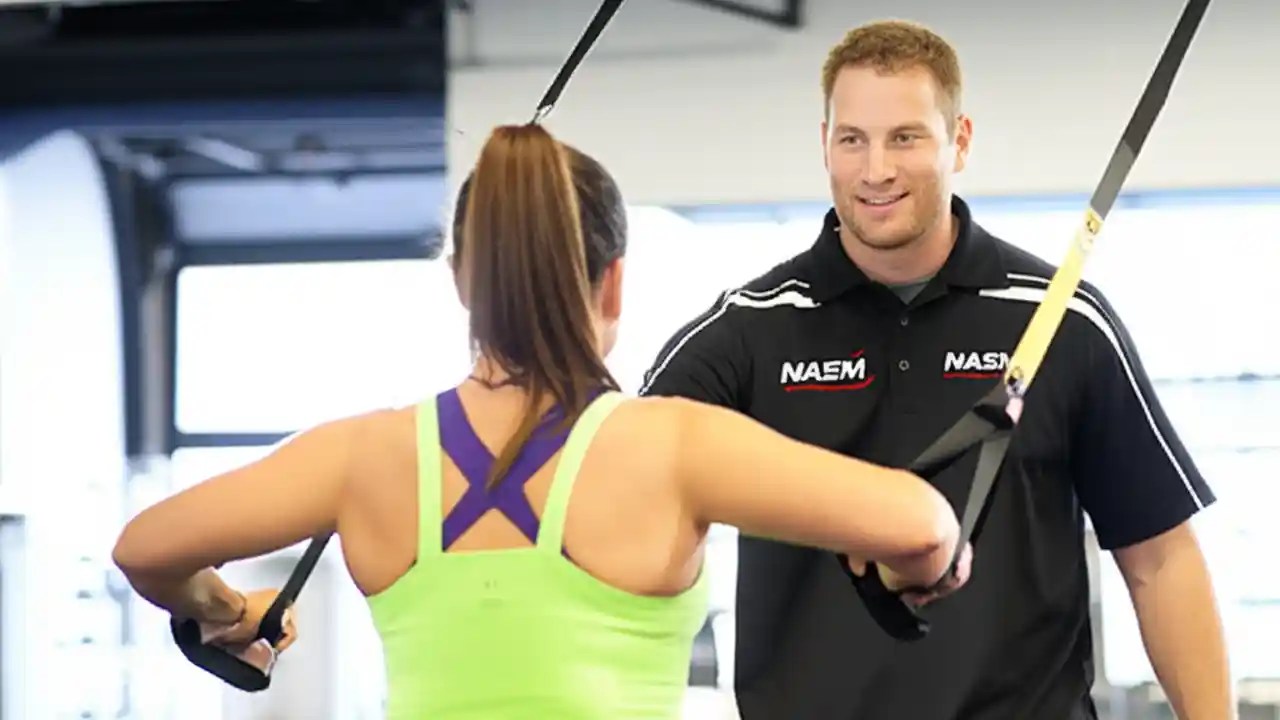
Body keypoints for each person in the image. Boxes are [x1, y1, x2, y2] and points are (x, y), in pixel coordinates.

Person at [111, 122, 973, 719]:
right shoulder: (670, 446)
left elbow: (146, 549)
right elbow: (923, 526)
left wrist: (225, 607)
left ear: (460, 280)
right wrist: (904, 572)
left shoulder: (361, 456)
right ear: (614, 283)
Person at [638, 18, 1233, 720]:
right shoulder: (748, 331)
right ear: (824, 143)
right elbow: (606, 483)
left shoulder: (1064, 321)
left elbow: (1160, 562)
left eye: (905, 138)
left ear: (960, 141)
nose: (876, 170)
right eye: (852, 139)